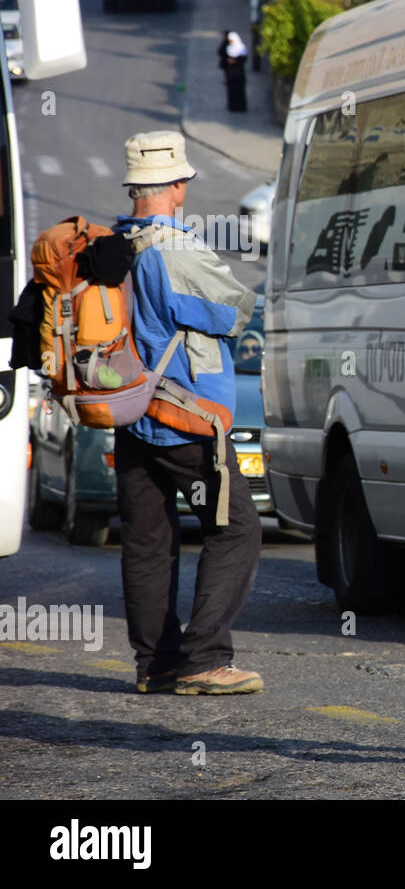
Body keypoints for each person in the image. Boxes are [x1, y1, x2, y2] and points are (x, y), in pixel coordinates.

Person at [108, 130, 262, 695]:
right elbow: (233, 310)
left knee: (148, 543)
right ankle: (204, 657)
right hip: (183, 416)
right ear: (175, 185)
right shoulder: (174, 248)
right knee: (236, 529)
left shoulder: (114, 244)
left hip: (127, 413)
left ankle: (156, 665)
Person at [218, 31, 248, 113]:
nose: (230, 42)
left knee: (240, 92)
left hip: (239, 74)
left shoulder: (241, 48)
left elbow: (243, 59)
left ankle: (241, 107)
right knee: (231, 92)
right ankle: (233, 107)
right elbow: (221, 52)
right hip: (230, 74)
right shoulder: (228, 48)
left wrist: (235, 61)